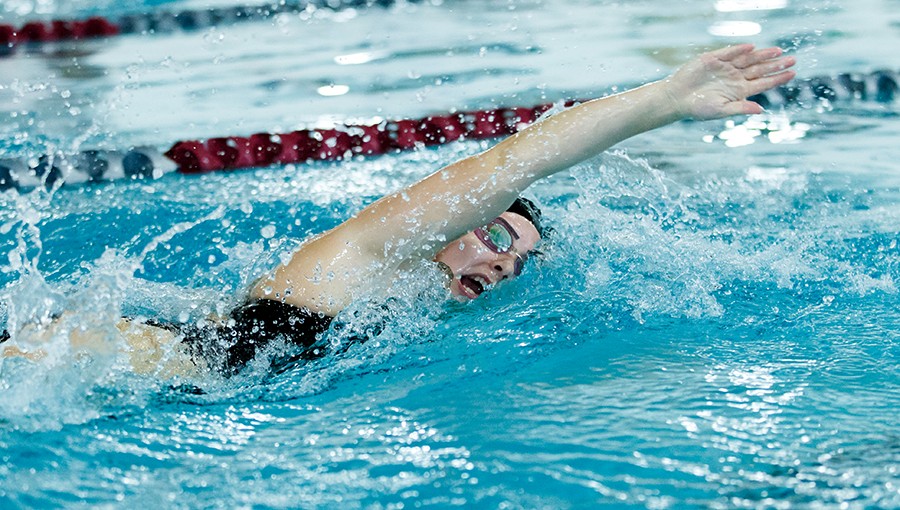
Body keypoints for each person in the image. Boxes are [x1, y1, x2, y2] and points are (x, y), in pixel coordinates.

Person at [1, 44, 796, 376]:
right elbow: (514, 160)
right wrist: (661, 100)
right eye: (493, 235)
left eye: (515, 261)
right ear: (448, 226)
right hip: (110, 361)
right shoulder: (371, 253)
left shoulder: (396, 309)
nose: (500, 261)